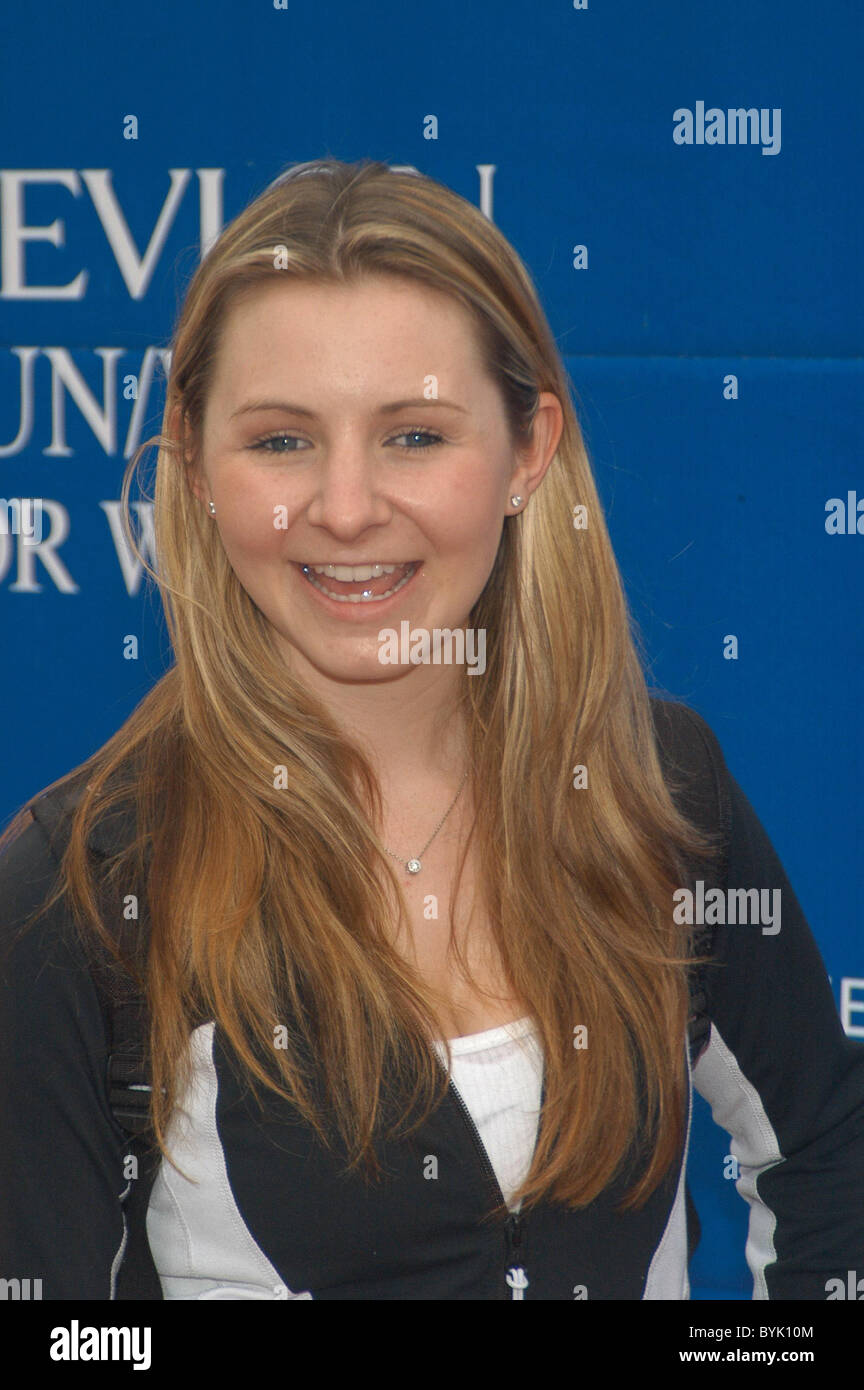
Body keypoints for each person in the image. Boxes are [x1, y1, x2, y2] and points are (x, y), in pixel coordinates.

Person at [1, 158, 861, 1302]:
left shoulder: (660, 790)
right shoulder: (80, 885)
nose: (347, 506)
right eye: (280, 440)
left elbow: (828, 1164)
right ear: (197, 462)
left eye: (413, 436)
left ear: (530, 449)